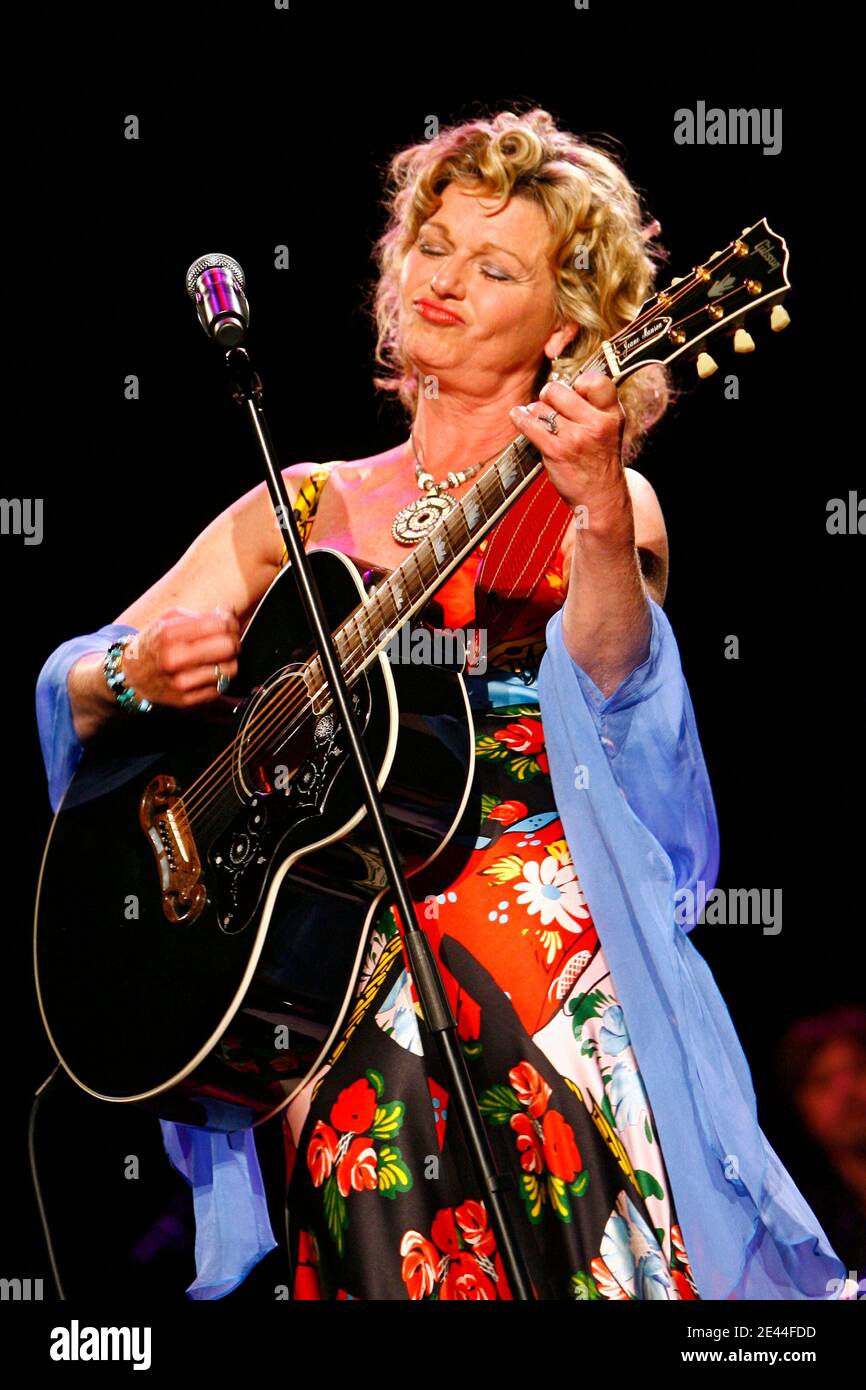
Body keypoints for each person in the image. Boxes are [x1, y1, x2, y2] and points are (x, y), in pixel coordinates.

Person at [36, 106, 849, 1301]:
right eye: (431, 245)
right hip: (330, 947)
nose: (444, 280)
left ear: (570, 321)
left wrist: (601, 521)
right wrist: (133, 669)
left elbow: (623, 688)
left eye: (494, 264)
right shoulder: (299, 509)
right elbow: (74, 675)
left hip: (539, 934)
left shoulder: (604, 499)